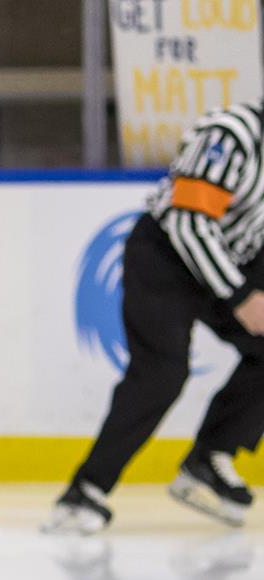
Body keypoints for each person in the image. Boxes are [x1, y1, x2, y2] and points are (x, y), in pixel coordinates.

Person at [46, 100, 264, 535]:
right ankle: (85, 491)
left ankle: (208, 460)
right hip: (164, 260)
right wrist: (240, 295)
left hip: (228, 260)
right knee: (161, 375)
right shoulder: (233, 135)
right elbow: (188, 222)